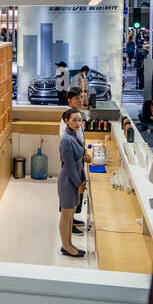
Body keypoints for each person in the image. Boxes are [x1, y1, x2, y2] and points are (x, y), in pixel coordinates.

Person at [58, 108, 87, 258]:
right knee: (66, 215)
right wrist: (78, 184)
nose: (78, 123)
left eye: (79, 120)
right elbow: (69, 167)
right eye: (74, 120)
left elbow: (78, 162)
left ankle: (69, 244)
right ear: (66, 121)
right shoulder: (66, 140)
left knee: (70, 216)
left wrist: (82, 181)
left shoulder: (75, 136)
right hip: (69, 182)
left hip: (76, 180)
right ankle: (65, 245)